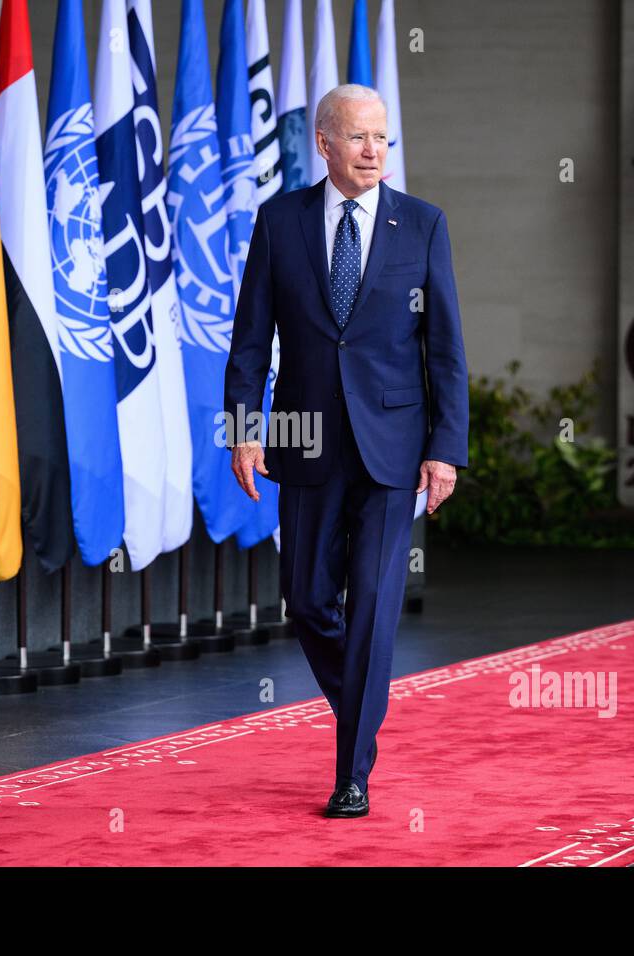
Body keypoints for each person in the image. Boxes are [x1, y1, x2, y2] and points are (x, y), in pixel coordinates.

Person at [224, 83, 469, 818]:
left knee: (371, 607)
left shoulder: (422, 225)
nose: (373, 152)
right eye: (359, 138)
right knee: (306, 601)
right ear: (324, 143)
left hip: (395, 451)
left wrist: (445, 449)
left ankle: (351, 774)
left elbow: (446, 349)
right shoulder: (280, 221)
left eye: (382, 139)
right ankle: (363, 699)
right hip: (305, 443)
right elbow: (249, 338)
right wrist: (243, 425)